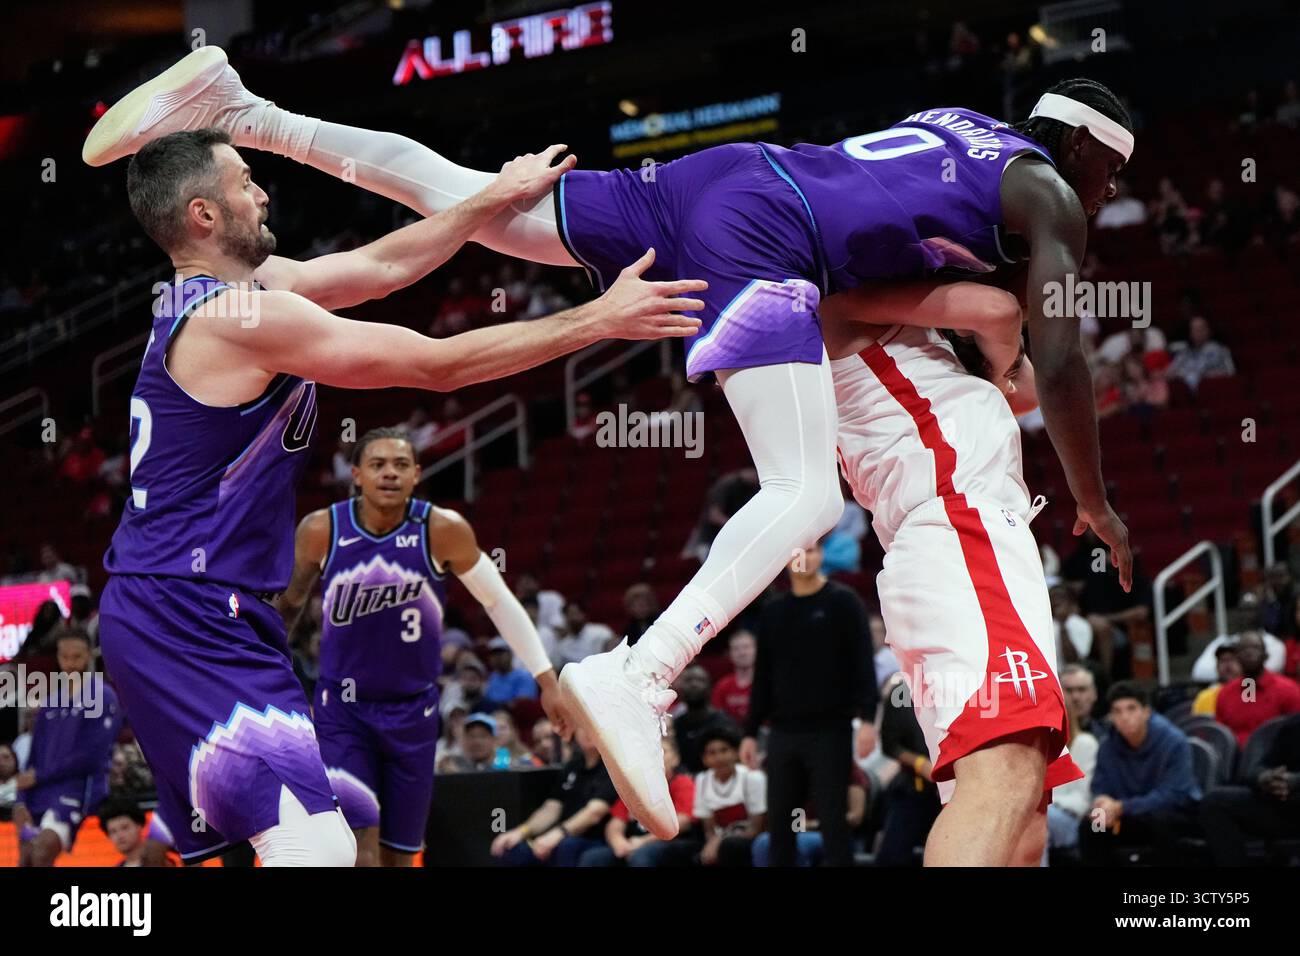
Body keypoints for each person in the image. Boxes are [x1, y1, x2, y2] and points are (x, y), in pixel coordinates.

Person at [93, 48, 1136, 836]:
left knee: (473, 199)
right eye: (1106, 185)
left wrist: (975, 314)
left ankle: (248, 112)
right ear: (1090, 157)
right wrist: (1089, 499)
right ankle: (640, 674)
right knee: (805, 492)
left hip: (713, 182)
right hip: (765, 233)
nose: (1099, 205)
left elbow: (878, 280)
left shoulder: (951, 128)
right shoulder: (1050, 196)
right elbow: (1060, 353)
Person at [85, 111, 698, 867]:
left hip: (198, 606)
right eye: (246, 182)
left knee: (276, 849)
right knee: (314, 847)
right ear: (203, 214)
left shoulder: (248, 291)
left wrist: (491, 199)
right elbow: (435, 366)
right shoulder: (235, 318)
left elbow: (381, 269)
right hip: (183, 609)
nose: (264, 195)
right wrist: (597, 320)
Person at [823, 287, 1082, 865]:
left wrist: (981, 349)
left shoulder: (920, 340)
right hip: (959, 533)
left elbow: (1029, 389)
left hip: (964, 547)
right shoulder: (841, 297)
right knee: (1006, 773)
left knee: (1020, 822)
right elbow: (1000, 312)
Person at [278, 427, 563, 866]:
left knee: (400, 856)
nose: (389, 474)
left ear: (417, 475)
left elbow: (497, 600)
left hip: (414, 712)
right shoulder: (322, 529)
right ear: (356, 474)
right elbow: (289, 605)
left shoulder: (442, 529)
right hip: (344, 712)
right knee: (360, 852)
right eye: (377, 465)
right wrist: (258, 673)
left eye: (400, 465)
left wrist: (546, 678)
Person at [740, 540, 878, 867]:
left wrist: (869, 720)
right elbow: (763, 678)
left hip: (831, 730)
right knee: (783, 825)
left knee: (833, 823)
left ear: (820, 556)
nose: (804, 557)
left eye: (812, 549)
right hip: (783, 733)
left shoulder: (843, 602)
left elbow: (863, 665)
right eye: (797, 552)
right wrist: (749, 731)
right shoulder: (773, 611)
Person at [13, 629, 121, 867]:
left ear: (90, 656)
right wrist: (20, 801)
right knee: (26, 859)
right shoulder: (50, 701)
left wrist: (39, 776)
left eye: (77, 657)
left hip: (76, 791)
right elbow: (33, 758)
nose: (70, 664)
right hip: (40, 794)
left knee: (41, 854)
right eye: (65, 657)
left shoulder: (102, 695)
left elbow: (91, 757)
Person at [1078, 682, 1201, 865]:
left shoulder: (1173, 742)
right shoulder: (1107, 745)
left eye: (1131, 709)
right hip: (1127, 818)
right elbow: (1100, 786)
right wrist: (1102, 802)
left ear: (1146, 712)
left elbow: (1173, 795)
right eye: (1117, 711)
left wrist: (1121, 807)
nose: (1124, 717)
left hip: (1175, 817)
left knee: (1162, 820)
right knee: (1093, 825)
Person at [490, 727, 616, 867]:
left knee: (567, 846)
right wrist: (521, 832)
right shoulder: (573, 766)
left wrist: (558, 834)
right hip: (560, 836)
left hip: (597, 840)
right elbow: (552, 808)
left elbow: (594, 813)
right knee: (509, 849)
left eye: (593, 727)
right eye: (583, 727)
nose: (588, 732)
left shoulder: (612, 768)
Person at [578, 735, 697, 867]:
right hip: (634, 844)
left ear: (675, 759)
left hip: (672, 842)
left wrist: (642, 842)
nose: (657, 755)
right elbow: (615, 824)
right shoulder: (636, 787)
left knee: (641, 856)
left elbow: (683, 821)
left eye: (663, 751)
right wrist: (619, 843)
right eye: (651, 752)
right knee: (592, 858)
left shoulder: (682, 782)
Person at [1200, 713, 1300, 865]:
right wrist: (1266, 777)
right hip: (1286, 806)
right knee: (1215, 802)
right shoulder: (1295, 724)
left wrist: (1294, 782)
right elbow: (1257, 768)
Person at [694, 728, 766, 867]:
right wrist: (712, 845)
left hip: (750, 840)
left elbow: (756, 828)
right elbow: (709, 830)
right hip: (719, 842)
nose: (719, 757)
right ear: (704, 759)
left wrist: (720, 841)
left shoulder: (753, 778)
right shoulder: (702, 780)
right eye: (712, 753)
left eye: (724, 750)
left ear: (735, 753)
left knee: (730, 846)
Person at [1214, 630, 1300, 746]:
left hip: (1276, 761)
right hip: (1236, 760)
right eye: (1244, 649)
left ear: (1266, 655)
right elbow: (1220, 739)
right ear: (1237, 656)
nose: (1250, 652)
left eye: (1256, 648)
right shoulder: (1225, 694)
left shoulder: (1288, 690)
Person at [672, 665, 740, 775]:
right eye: (689, 680)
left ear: (710, 687)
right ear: (681, 688)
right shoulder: (676, 725)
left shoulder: (723, 723)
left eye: (700, 680)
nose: (694, 684)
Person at [96, 797, 175, 867]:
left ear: (139, 826)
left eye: (125, 828)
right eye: (113, 831)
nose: (119, 835)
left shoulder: (160, 861)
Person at [711, 629, 756, 726]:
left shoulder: (766, 684)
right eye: (736, 649)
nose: (742, 653)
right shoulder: (722, 686)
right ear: (730, 654)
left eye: (746, 647)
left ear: (756, 650)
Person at [481, 637, 540, 711]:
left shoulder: (524, 676)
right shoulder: (491, 678)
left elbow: (523, 703)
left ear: (510, 654)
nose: (497, 658)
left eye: (501, 653)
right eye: (494, 655)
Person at [1192, 643, 1243, 715]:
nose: (1228, 665)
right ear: (1217, 666)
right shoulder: (1204, 697)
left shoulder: (1249, 695)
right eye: (1223, 660)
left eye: (1233, 659)